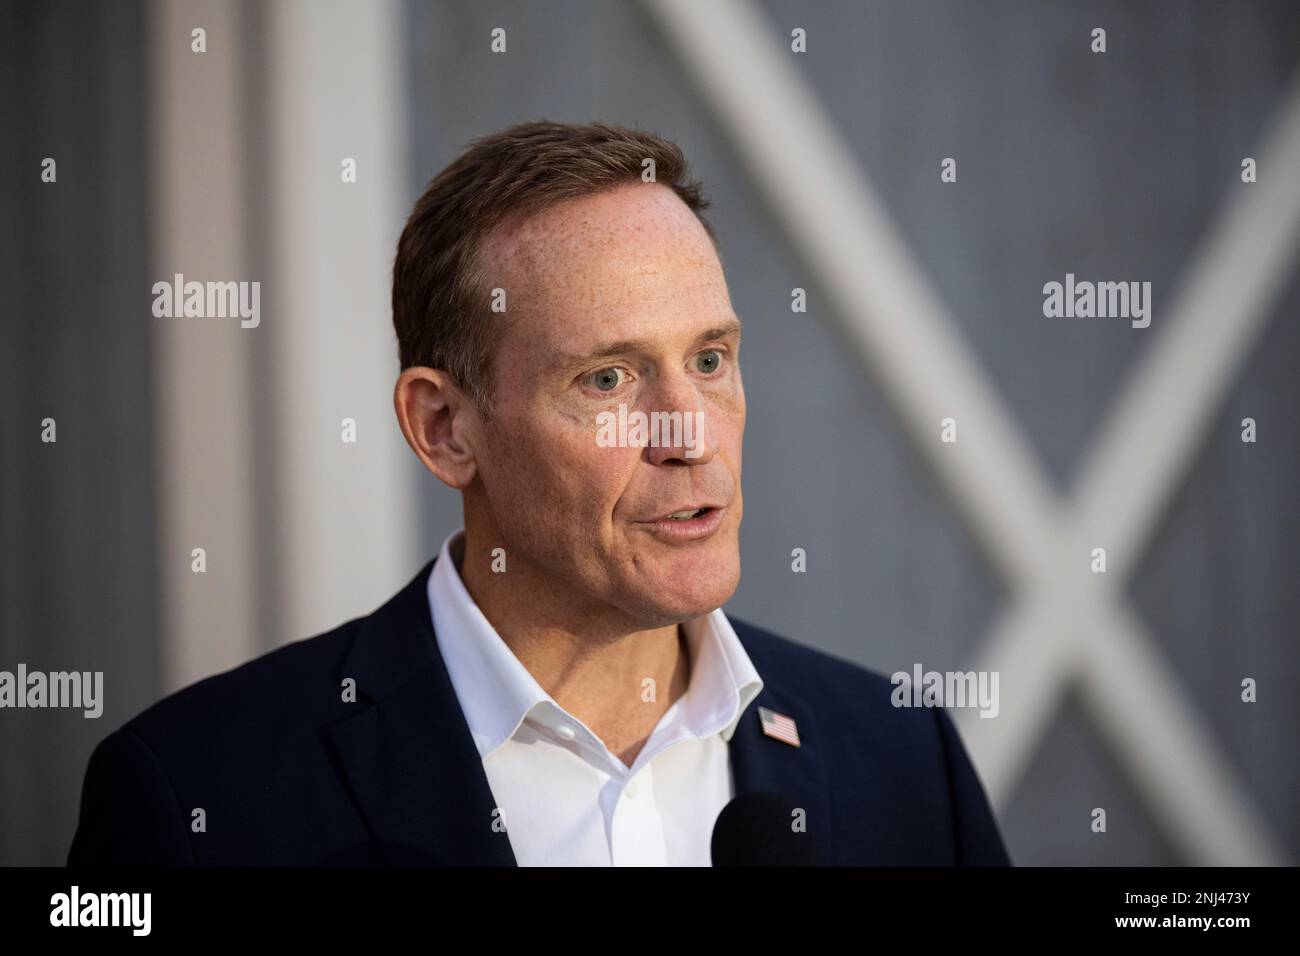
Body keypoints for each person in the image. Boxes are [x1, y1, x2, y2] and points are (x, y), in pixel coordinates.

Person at [68, 120, 1011, 866]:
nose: (690, 435)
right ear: (445, 429)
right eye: (607, 380)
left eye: (711, 359)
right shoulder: (198, 796)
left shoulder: (901, 759)